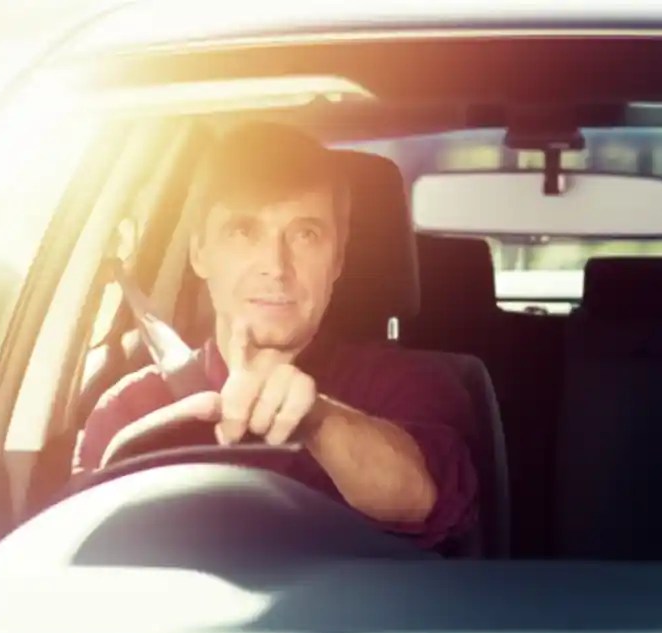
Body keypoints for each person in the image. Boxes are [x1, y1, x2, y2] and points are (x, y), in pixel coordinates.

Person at [73, 122, 478, 554]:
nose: (276, 266)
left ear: (337, 259)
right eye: (243, 231)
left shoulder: (409, 384)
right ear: (200, 254)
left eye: (306, 235)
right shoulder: (129, 412)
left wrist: (318, 421)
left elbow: (421, 496)